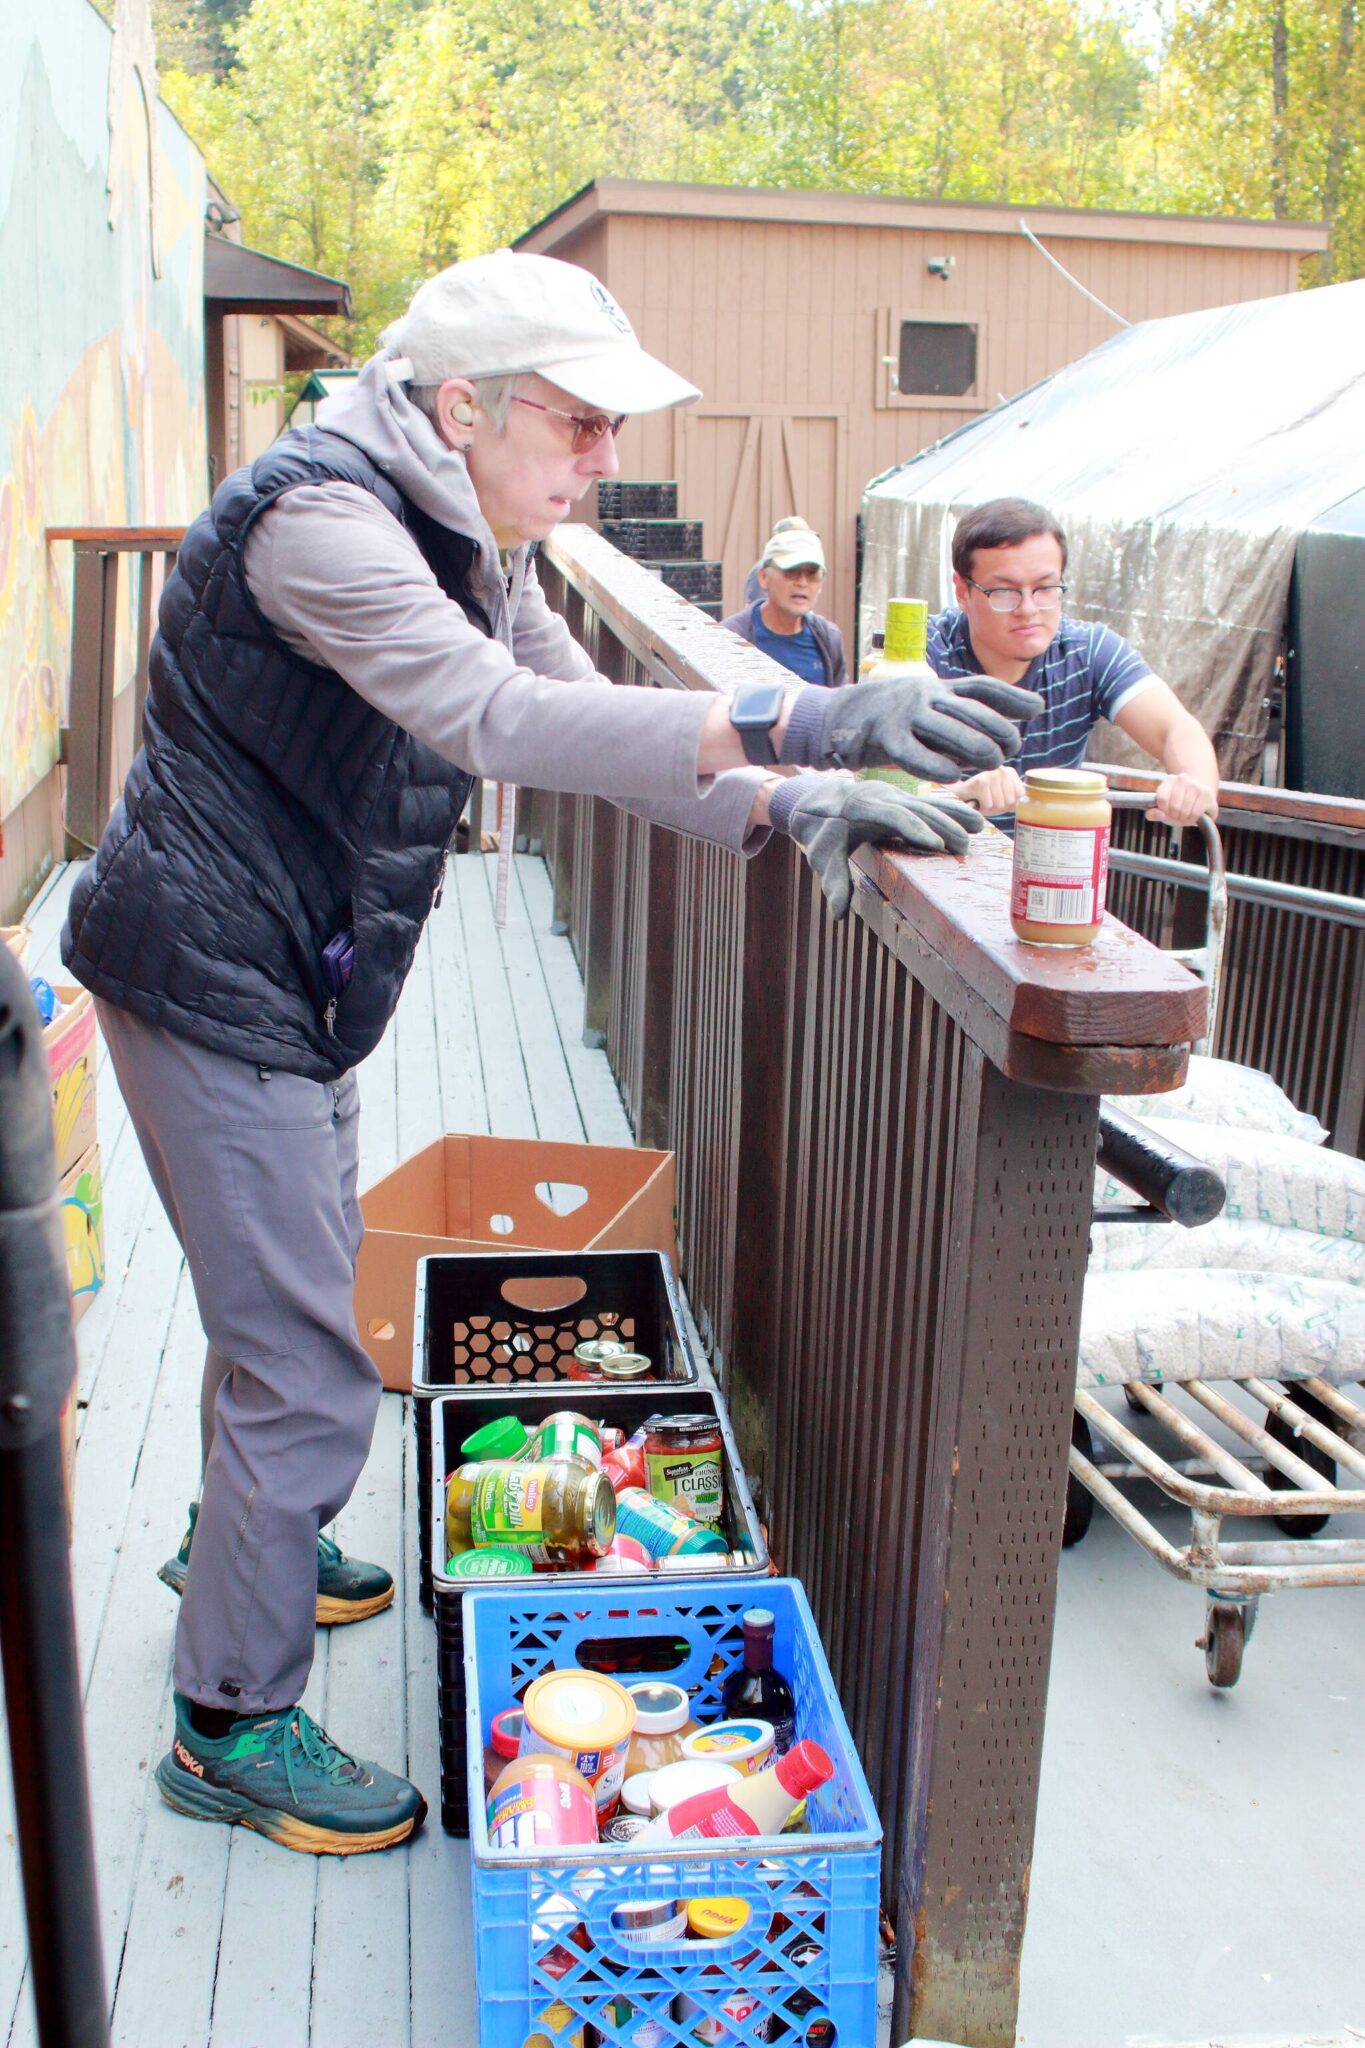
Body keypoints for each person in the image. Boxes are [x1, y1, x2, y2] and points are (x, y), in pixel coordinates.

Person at [60, 250, 1041, 1857]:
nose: (604, 458)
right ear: (466, 408)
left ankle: (241, 1542)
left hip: (295, 972)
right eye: (581, 425)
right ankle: (226, 1718)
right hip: (213, 977)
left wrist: (795, 801)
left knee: (284, 1293)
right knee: (310, 1361)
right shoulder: (320, 526)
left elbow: (588, 720)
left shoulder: (465, 527)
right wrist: (799, 718)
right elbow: (496, 719)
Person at [927, 498, 1220, 826]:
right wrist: (958, 794)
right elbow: (886, 780)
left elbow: (1175, 729)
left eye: (1045, 588)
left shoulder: (1088, 651)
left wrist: (1194, 789)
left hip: (1052, 853)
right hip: (931, 854)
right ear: (963, 592)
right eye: (1004, 591)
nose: (1028, 609)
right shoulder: (922, 653)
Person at [724, 521, 847, 686]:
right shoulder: (730, 637)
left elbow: (839, 699)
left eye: (812, 573)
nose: (802, 583)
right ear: (763, 577)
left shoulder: (828, 637)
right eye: (791, 572)